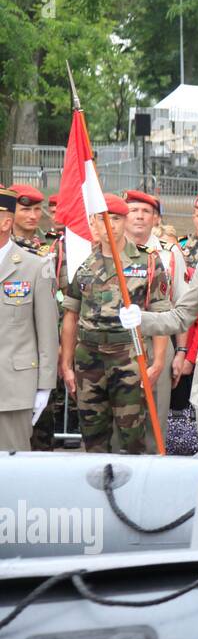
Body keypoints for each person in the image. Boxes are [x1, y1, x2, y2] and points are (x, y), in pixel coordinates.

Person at [61, 194, 171, 454]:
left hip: (128, 358)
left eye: (116, 218)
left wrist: (158, 363)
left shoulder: (148, 262)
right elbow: (71, 315)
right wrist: (66, 365)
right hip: (89, 360)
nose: (109, 224)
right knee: (92, 438)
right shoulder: (83, 263)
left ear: (125, 221)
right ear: (94, 222)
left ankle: (132, 493)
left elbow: (160, 315)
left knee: (133, 439)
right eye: (103, 218)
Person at [122, 189, 189, 453]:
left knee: (154, 427)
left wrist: (181, 351)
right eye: (133, 210)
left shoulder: (170, 254)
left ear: (156, 219)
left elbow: (182, 307)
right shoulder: (109, 250)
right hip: (115, 345)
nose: (139, 216)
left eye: (146, 211)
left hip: (156, 344)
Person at [0, 187, 58, 452]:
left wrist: (44, 387)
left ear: (5, 222)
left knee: (10, 474)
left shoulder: (35, 267)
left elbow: (47, 333)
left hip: (12, 390)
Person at [9, 185, 52, 256]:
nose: (33, 216)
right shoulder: (3, 242)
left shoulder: (54, 243)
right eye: (25, 210)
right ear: (11, 211)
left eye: (37, 209)